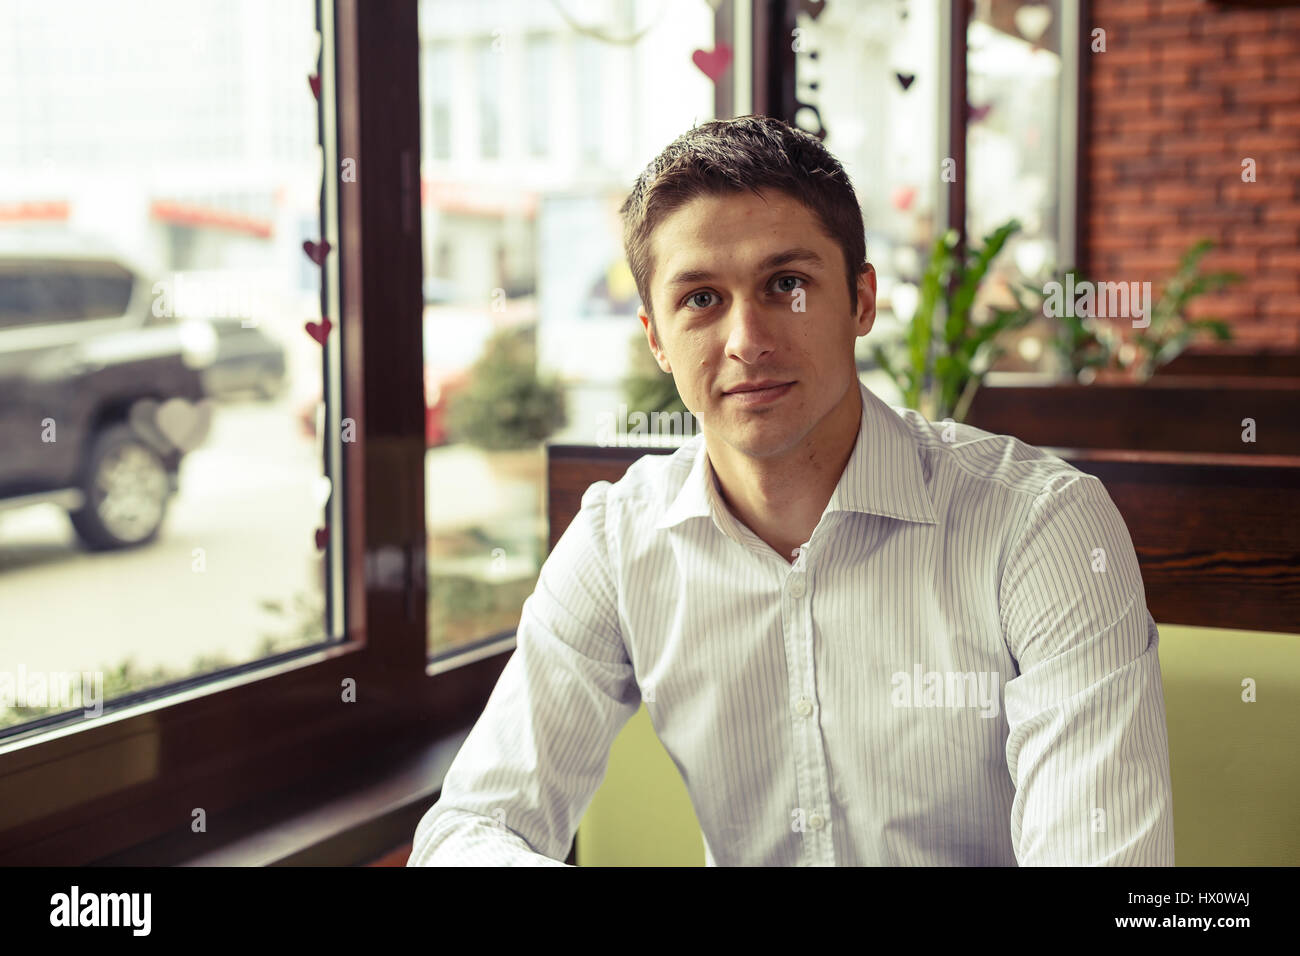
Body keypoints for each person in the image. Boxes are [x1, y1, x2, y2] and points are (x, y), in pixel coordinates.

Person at [407, 115, 1175, 866]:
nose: (746, 340)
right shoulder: (619, 540)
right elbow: (468, 829)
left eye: (787, 284)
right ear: (656, 339)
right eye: (700, 298)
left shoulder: (1041, 526)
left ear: (861, 301)